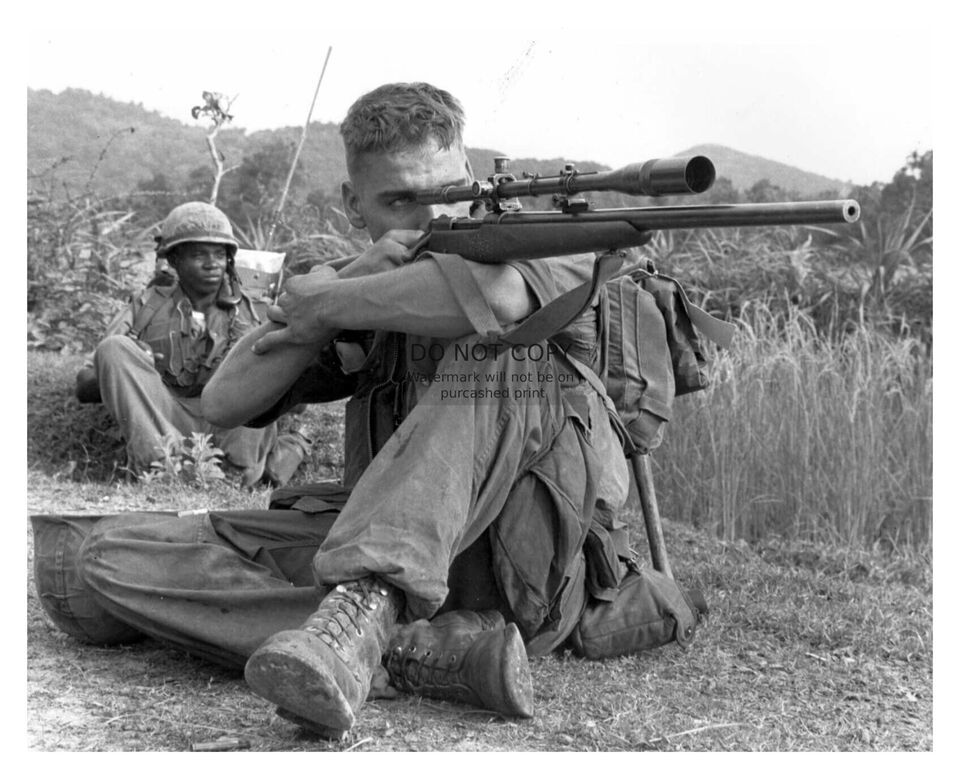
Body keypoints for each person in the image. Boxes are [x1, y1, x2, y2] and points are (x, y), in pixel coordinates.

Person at [61, 83, 703, 740]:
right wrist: (342, 285)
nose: (430, 219)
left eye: (448, 191)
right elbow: (227, 400)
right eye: (400, 201)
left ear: (474, 179)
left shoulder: (550, 245)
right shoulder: (361, 279)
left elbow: (491, 301)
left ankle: (367, 617)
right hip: (381, 566)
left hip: (525, 571)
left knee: (502, 353)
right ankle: (412, 649)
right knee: (108, 553)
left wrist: (334, 303)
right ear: (354, 204)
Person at [74, 202, 311, 487]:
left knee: (265, 354)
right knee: (114, 347)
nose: (212, 264)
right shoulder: (146, 306)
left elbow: (298, 401)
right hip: (164, 420)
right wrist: (141, 363)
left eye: (219, 254)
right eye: (198, 254)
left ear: (230, 260)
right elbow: (85, 385)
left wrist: (261, 370)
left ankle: (232, 474)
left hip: (231, 425)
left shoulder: (257, 312)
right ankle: (162, 469)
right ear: (173, 260)